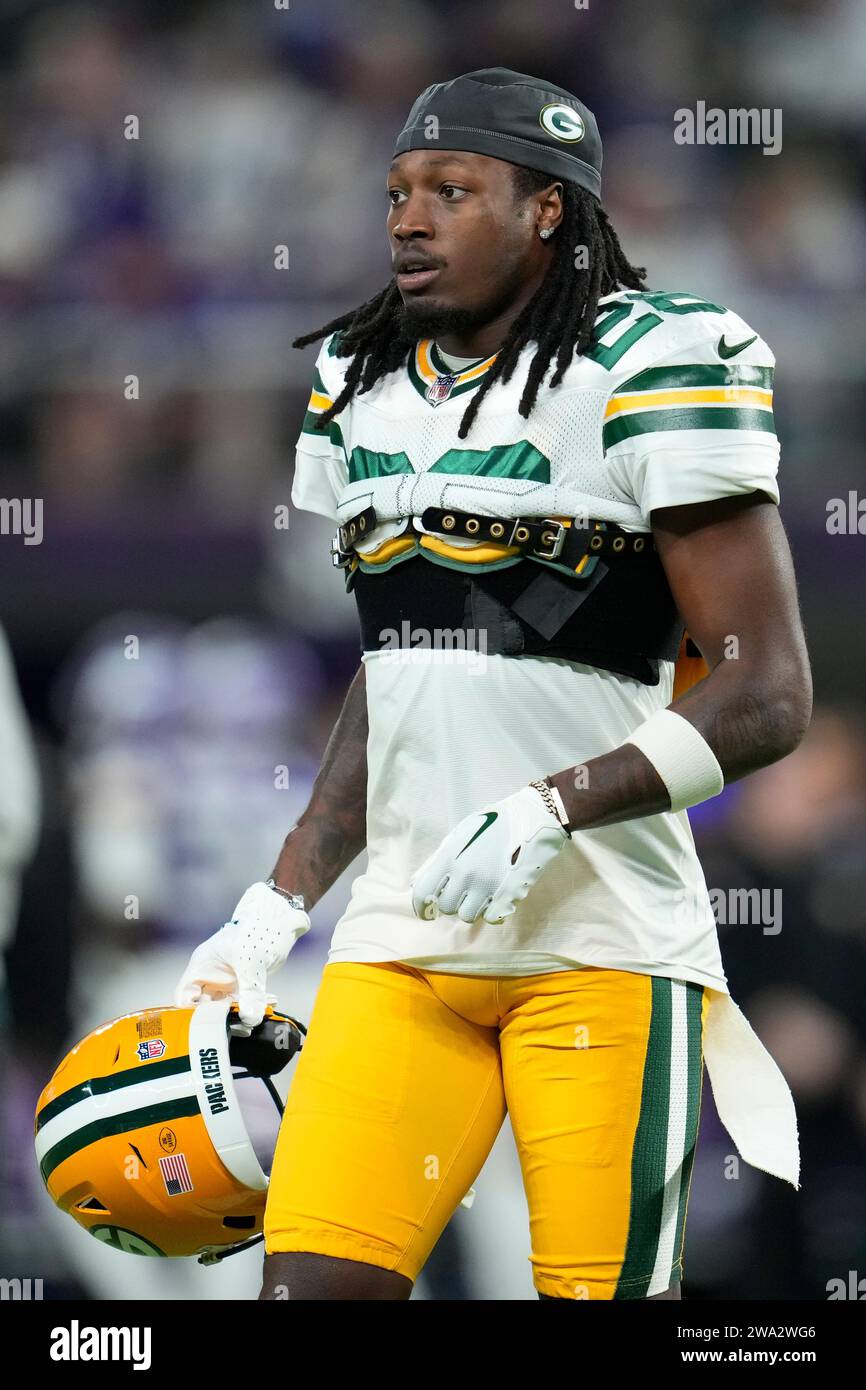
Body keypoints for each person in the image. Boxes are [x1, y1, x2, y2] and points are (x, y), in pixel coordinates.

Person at [175, 69, 812, 1301]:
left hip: (601, 941)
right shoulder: (358, 382)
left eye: (452, 191)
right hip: (404, 938)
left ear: (547, 214)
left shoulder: (661, 359)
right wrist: (278, 900)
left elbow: (765, 692)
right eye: (397, 193)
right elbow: (398, 675)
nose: (407, 219)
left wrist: (545, 805)